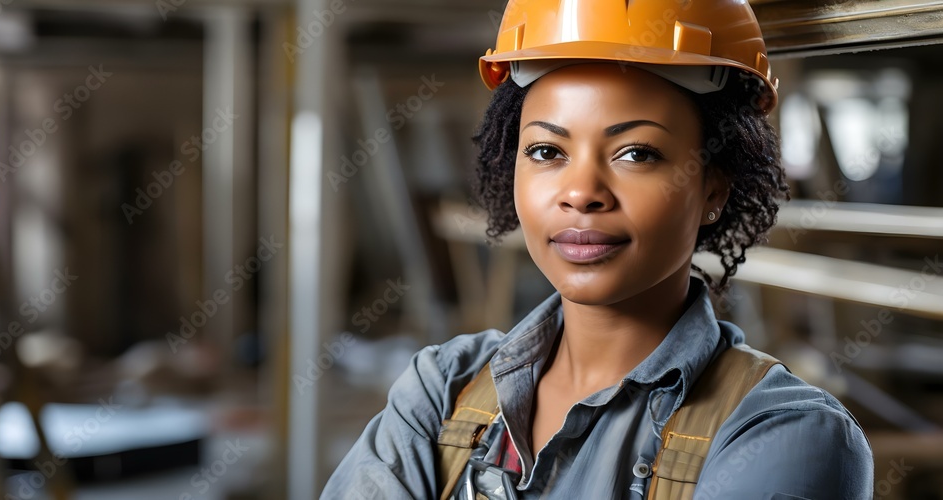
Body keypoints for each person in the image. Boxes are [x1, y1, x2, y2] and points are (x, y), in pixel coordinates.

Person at [322, 0, 874, 498]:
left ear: (713, 187)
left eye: (636, 154)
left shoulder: (785, 434)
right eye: (545, 150)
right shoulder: (441, 392)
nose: (581, 193)